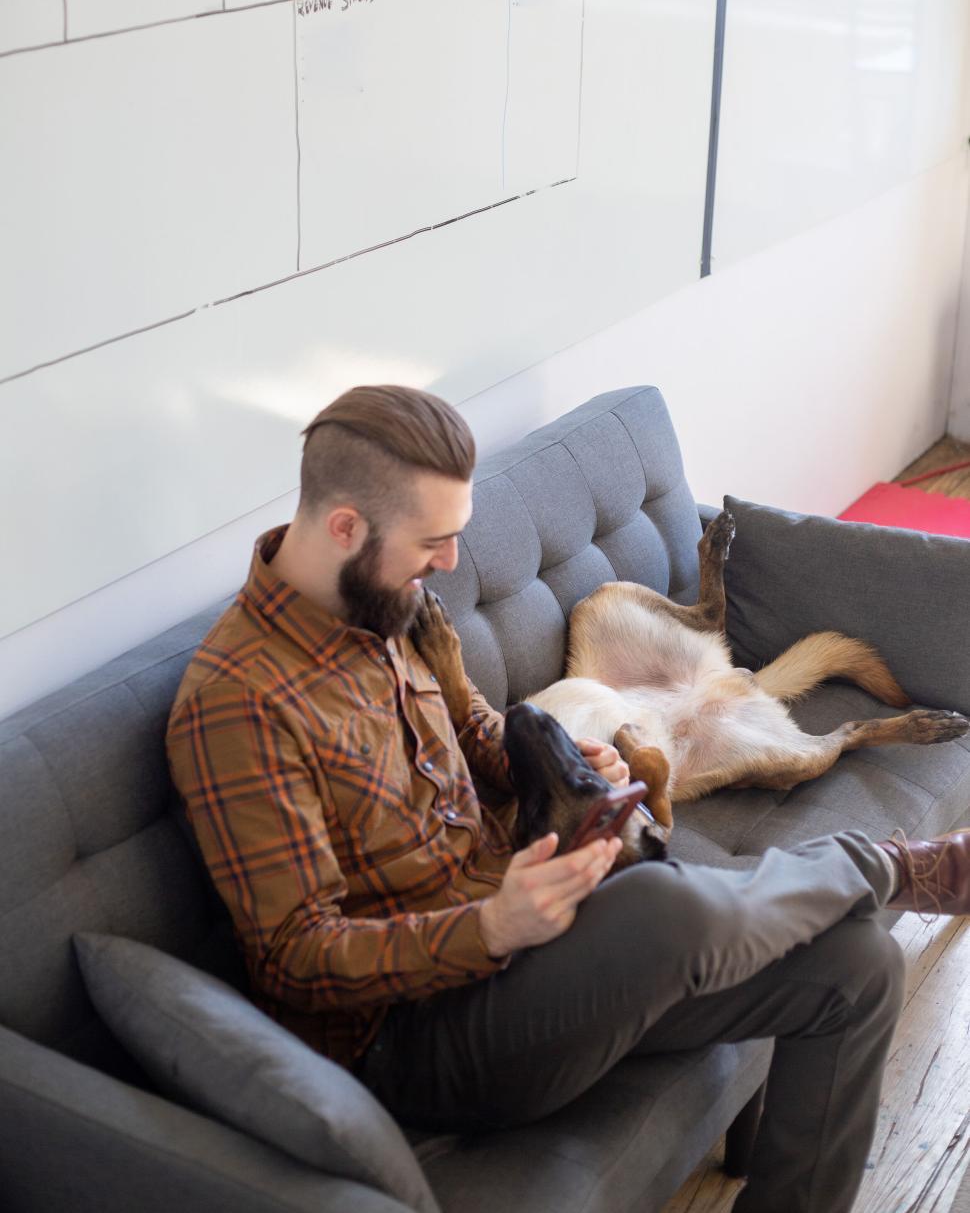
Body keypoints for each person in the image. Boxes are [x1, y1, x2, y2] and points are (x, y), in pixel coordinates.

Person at [167, 384, 970, 1213]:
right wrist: (488, 926)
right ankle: (886, 867)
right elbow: (294, 954)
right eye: (432, 540)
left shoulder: (388, 601)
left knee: (858, 967)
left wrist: (567, 762)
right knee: (662, 903)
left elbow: (478, 736)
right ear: (344, 527)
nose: (448, 561)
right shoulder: (240, 704)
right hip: (419, 1035)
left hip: (532, 942)